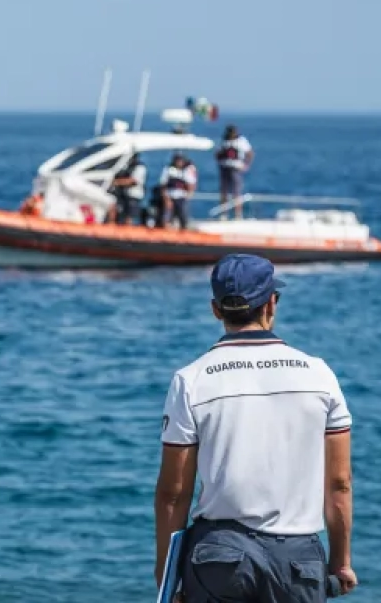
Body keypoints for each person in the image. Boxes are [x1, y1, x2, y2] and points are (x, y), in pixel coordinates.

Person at [153, 254, 357, 603]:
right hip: (298, 561)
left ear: (216, 310)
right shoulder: (319, 374)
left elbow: (174, 493)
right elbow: (339, 484)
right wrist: (340, 562)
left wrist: (167, 575)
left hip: (218, 558)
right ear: (272, 303)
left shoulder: (191, 380)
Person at [215, 125, 254, 220]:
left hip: (236, 168)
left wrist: (246, 165)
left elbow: (250, 153)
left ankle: (238, 214)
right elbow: (217, 153)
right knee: (224, 192)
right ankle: (224, 214)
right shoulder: (223, 141)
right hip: (224, 167)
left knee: (236, 192)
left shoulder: (241, 141)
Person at [106, 153, 147, 225]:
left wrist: (117, 182)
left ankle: (127, 231)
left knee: (129, 216)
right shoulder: (126, 166)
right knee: (117, 211)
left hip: (133, 195)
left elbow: (133, 181)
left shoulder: (139, 167)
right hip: (124, 194)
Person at [159, 153, 198, 229]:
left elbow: (192, 185)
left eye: (180, 160)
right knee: (166, 218)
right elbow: (163, 185)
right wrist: (167, 199)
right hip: (170, 197)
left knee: (183, 219)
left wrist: (189, 195)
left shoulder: (188, 170)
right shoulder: (168, 170)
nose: (179, 162)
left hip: (182, 198)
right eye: (177, 160)